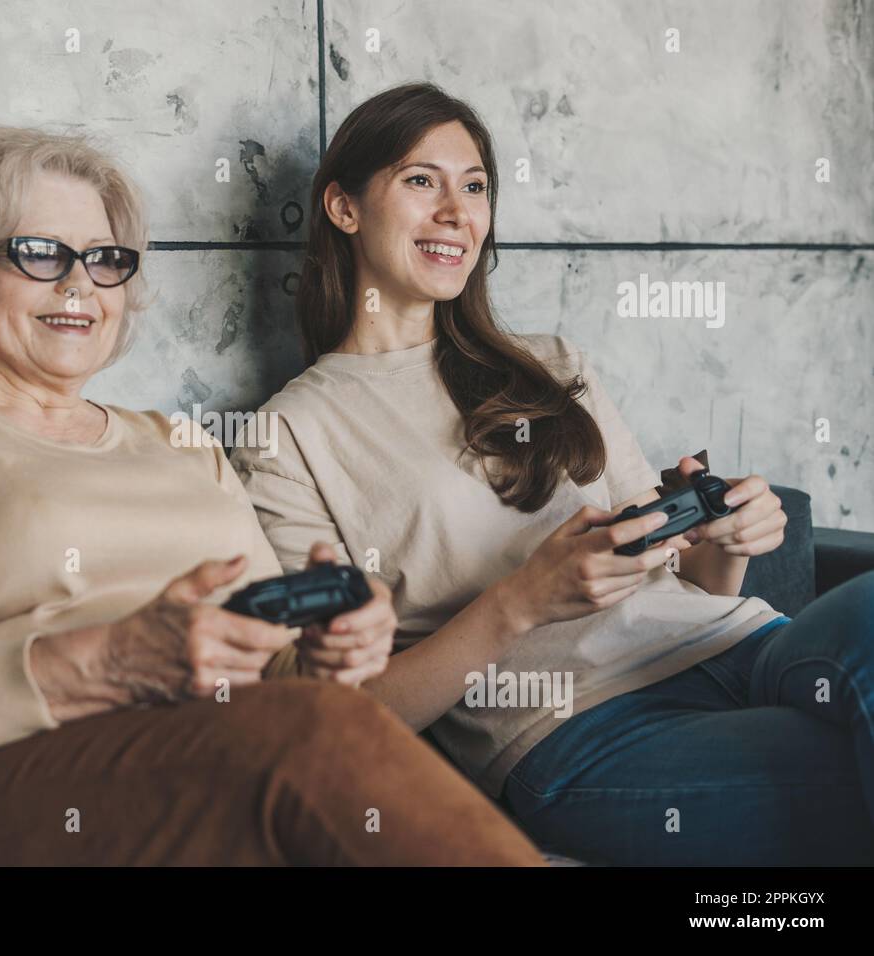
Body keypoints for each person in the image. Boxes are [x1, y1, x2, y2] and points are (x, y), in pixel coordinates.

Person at [0, 124, 545, 866]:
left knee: (329, 718)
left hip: (198, 773)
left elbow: (275, 681)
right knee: (320, 735)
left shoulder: (180, 444)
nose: (81, 286)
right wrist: (111, 660)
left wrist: (327, 649)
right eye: (41, 254)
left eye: (106, 259)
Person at [231, 82, 874, 865]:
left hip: (739, 645)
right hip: (579, 731)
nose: (456, 212)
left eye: (474, 187)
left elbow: (686, 581)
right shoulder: (286, 434)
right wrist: (521, 602)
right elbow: (342, 714)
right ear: (343, 207)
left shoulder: (552, 365)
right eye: (420, 180)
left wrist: (729, 535)